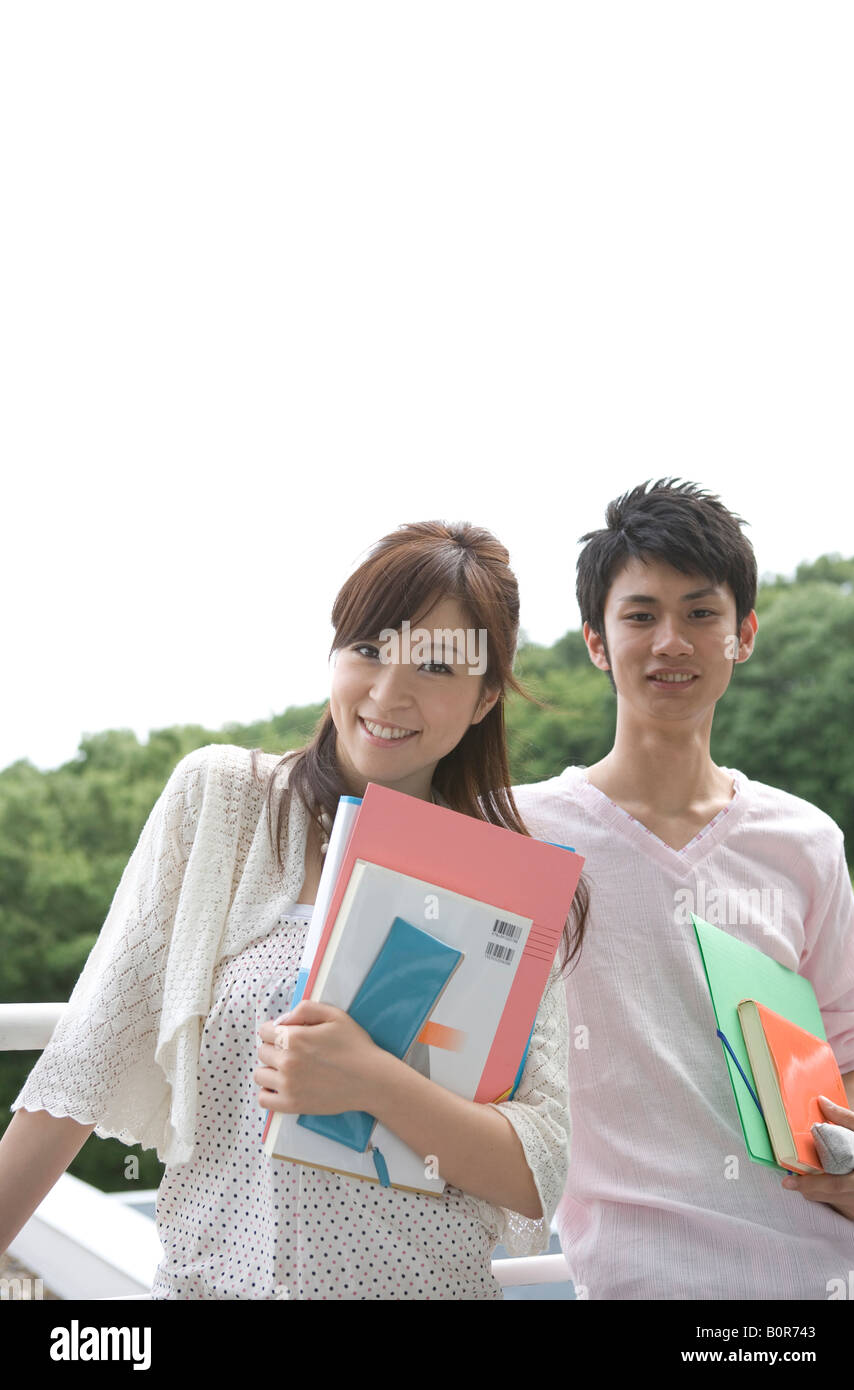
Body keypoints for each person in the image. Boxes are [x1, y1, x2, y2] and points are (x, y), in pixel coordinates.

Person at [0, 520, 587, 1301]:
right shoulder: (223, 803)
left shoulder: (507, 879)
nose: (388, 694)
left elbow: (535, 1167)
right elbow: (83, 1065)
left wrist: (371, 1081)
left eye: (436, 668)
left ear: (485, 698)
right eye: (369, 649)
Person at [512, 479, 854, 1300]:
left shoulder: (805, 842)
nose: (671, 640)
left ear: (742, 635)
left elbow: (852, 1049)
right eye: (640, 616)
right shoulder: (521, 834)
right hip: (638, 1278)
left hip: (824, 1271)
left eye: (701, 614)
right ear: (598, 643)